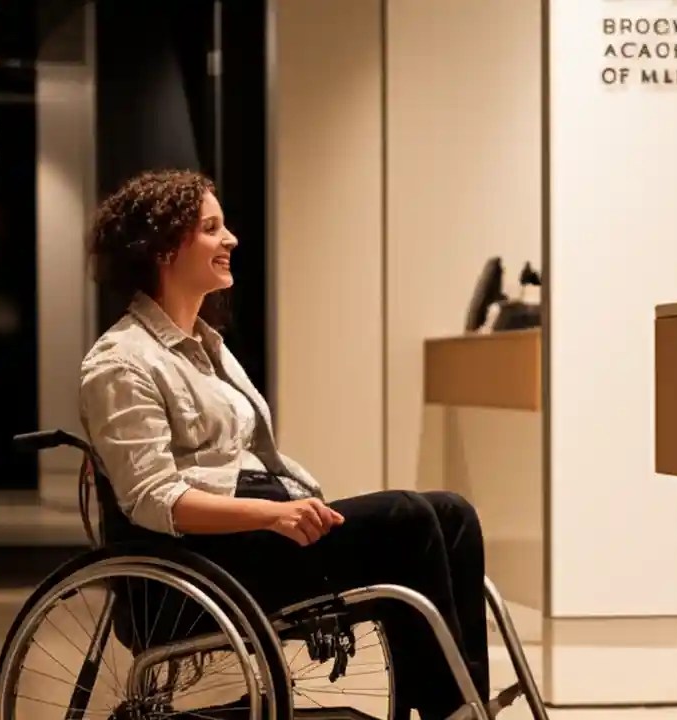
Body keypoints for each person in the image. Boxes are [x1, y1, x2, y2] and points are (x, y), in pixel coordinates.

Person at [79, 170, 489, 720]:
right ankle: (450, 712)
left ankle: (468, 706)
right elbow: (155, 500)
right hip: (203, 561)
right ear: (164, 248)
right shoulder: (120, 362)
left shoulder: (205, 347)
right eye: (211, 228)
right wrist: (272, 514)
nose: (231, 240)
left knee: (451, 512)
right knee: (407, 518)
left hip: (246, 539)